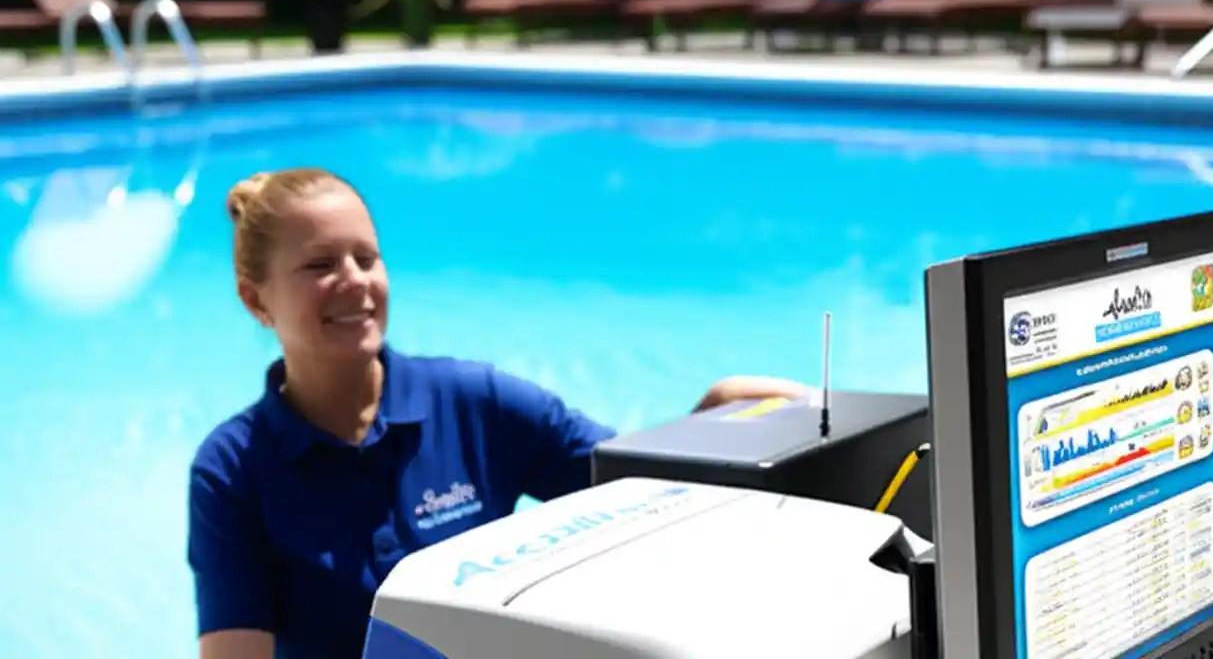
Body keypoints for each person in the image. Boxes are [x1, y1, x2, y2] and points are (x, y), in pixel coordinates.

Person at [187, 167, 813, 659]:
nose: (355, 281)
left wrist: (711, 415)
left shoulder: (473, 402)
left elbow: (643, 492)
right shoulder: (233, 468)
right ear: (255, 300)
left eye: (366, 258)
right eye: (320, 266)